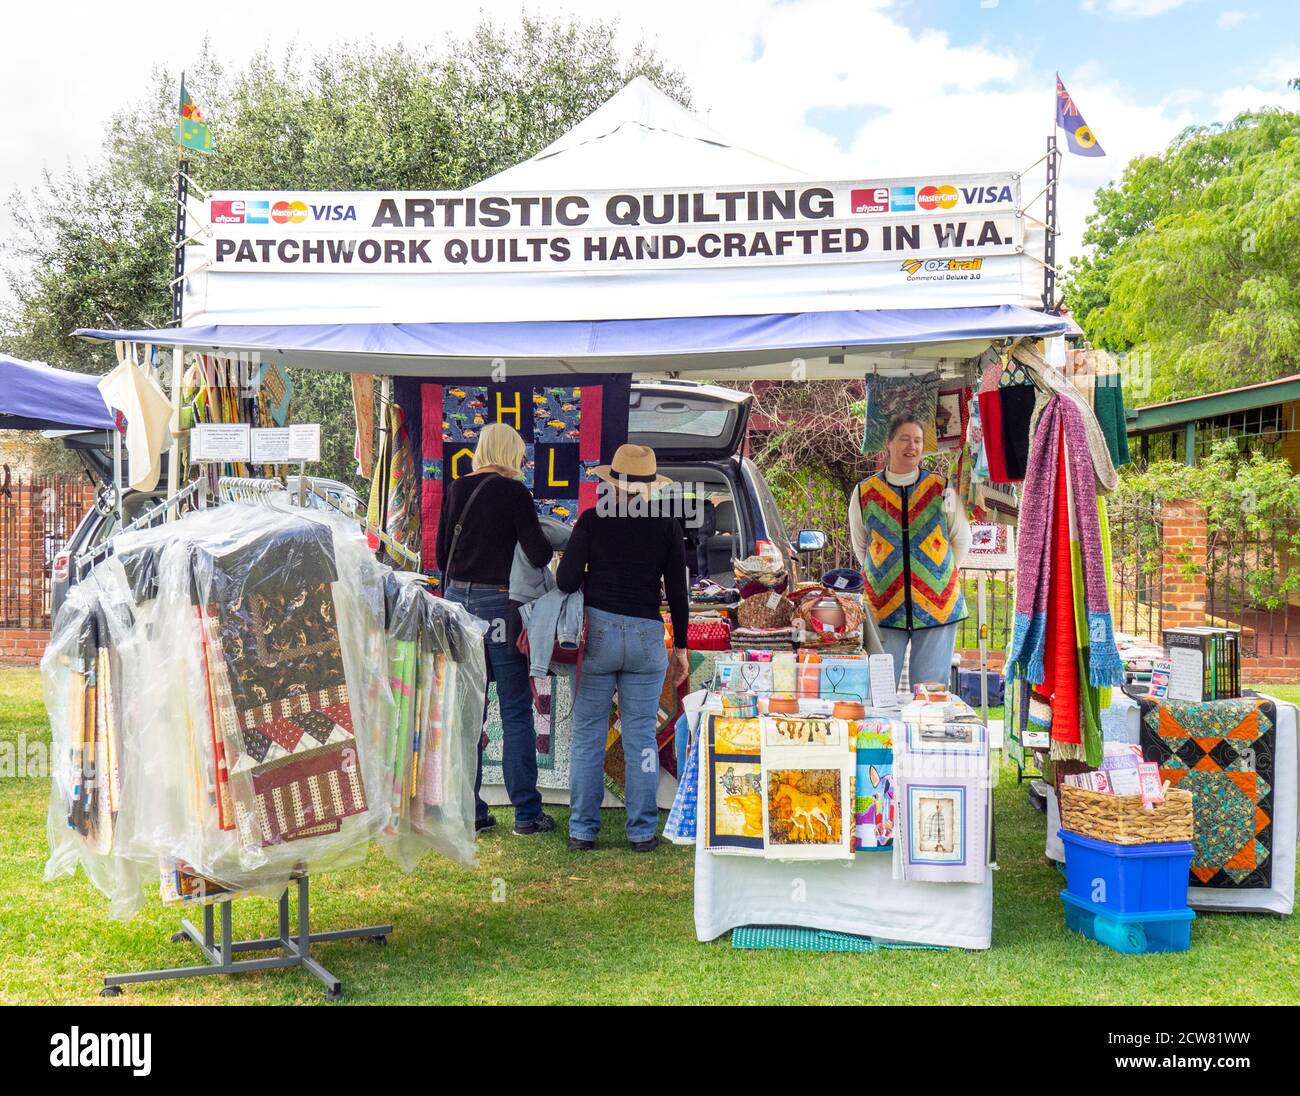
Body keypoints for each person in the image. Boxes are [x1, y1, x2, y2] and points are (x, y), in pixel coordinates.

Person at [556, 444, 690, 852]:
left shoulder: (592, 521)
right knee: (640, 738)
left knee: (587, 736)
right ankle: (642, 832)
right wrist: (680, 648)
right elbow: (679, 595)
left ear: (612, 482)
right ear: (650, 486)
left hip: (598, 633)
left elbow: (563, 582)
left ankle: (582, 830)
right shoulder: (668, 527)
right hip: (648, 636)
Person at [436, 422, 556, 837]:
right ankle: (526, 813)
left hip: (456, 603)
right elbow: (538, 552)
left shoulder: (456, 489)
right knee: (516, 708)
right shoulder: (514, 493)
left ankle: (471, 810)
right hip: (501, 603)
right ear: (510, 453)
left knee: (468, 711)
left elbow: (438, 555)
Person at [849, 415, 971, 691]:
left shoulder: (943, 489)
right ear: (889, 444)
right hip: (883, 605)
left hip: (937, 605)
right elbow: (861, 546)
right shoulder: (864, 492)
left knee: (929, 692)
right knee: (879, 688)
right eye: (904, 439)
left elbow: (961, 539)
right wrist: (884, 574)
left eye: (917, 441)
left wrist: (939, 577)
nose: (912, 446)